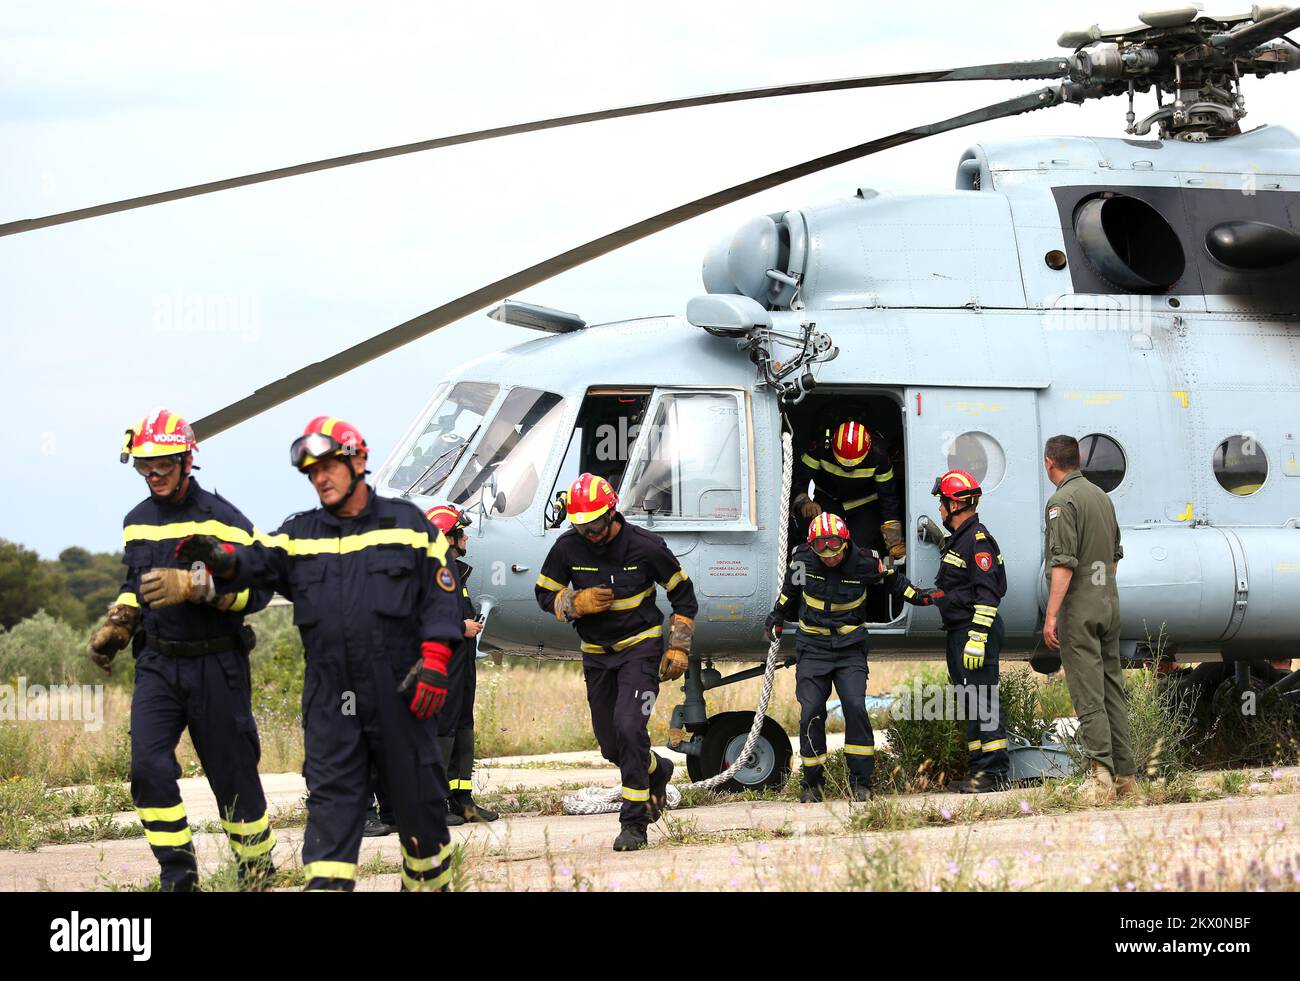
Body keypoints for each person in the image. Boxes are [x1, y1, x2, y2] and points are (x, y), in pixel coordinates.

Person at [168, 416, 465, 891]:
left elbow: (441, 599)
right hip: (332, 703)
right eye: (311, 471)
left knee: (421, 814)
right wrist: (221, 557)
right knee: (330, 812)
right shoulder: (298, 535)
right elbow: (254, 563)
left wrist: (434, 661)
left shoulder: (410, 527)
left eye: (328, 466)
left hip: (402, 697)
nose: (320, 478)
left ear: (359, 461)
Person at [87, 409, 276, 891]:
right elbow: (136, 583)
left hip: (217, 663)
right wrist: (119, 624)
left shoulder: (225, 520)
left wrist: (202, 590)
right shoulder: (136, 522)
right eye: (143, 468)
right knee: (147, 768)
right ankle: (178, 875)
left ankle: (255, 869)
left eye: (162, 466)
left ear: (186, 460)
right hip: (157, 663)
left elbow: (260, 589)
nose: (153, 476)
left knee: (233, 775)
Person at [534, 473, 698, 852]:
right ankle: (659, 770)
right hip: (596, 656)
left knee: (628, 727)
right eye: (580, 526)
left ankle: (633, 823)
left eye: (594, 526)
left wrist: (679, 646)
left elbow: (684, 597)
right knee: (612, 745)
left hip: (639, 649)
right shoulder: (566, 547)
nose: (588, 534)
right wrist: (573, 603)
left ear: (611, 514)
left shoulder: (646, 547)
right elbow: (544, 593)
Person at [766, 513, 936, 802]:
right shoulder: (803, 560)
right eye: (821, 548)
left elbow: (893, 580)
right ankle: (812, 784)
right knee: (811, 712)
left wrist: (918, 596)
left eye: (834, 547)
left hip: (850, 649)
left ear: (845, 543)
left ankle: (860, 782)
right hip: (813, 648)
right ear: (812, 546)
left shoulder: (865, 561)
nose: (829, 555)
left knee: (856, 708)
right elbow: (790, 591)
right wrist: (777, 614)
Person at [1042, 435, 1135, 801]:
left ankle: (1101, 778)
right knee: (1112, 688)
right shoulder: (1102, 497)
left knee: (1087, 691)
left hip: (1079, 607)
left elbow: (1063, 564)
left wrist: (1051, 616)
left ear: (1050, 462)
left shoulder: (1060, 501)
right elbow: (1113, 557)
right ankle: (1127, 777)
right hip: (1108, 601)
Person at [927, 470, 1010, 793]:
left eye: (941, 503)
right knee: (972, 701)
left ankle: (994, 773)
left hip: (975, 632)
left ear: (954, 504)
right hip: (960, 631)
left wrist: (977, 638)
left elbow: (988, 594)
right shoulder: (959, 541)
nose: (939, 509)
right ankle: (979, 770)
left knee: (984, 700)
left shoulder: (978, 542)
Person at [425, 505, 499, 825]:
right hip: (443, 665)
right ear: (446, 538)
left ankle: (461, 798)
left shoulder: (453, 569)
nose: (465, 537)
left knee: (462, 729)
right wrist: (461, 628)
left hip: (462, 666)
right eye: (460, 533)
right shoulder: (431, 573)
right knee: (442, 730)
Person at [794, 420, 905, 562]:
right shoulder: (820, 446)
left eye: (854, 464)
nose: (847, 468)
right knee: (825, 543)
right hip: (829, 498)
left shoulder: (880, 456)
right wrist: (804, 501)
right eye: (841, 463)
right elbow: (799, 478)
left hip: (864, 503)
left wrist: (894, 540)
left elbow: (888, 498)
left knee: (860, 549)